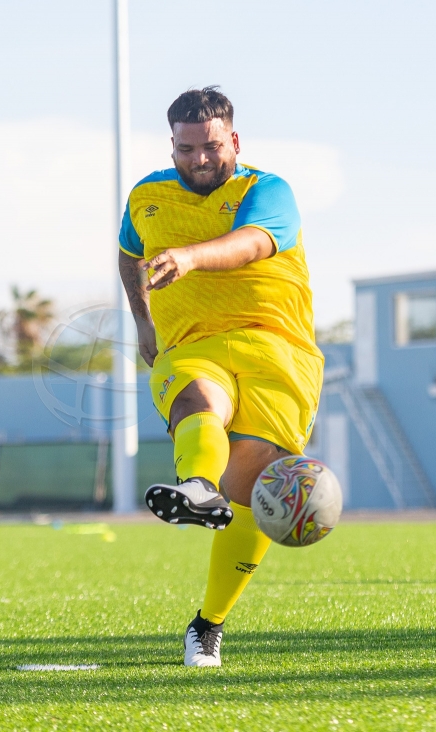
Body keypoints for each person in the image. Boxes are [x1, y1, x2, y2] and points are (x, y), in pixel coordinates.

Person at [118, 87, 323, 667]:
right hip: (192, 344)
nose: (199, 160)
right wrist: (143, 323)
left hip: (278, 349)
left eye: (210, 147)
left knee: (253, 481)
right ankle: (198, 488)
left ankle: (207, 624)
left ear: (233, 140)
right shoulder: (146, 196)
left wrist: (188, 257)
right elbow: (127, 253)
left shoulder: (268, 190)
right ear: (172, 145)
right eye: (186, 149)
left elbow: (251, 244)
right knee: (197, 401)